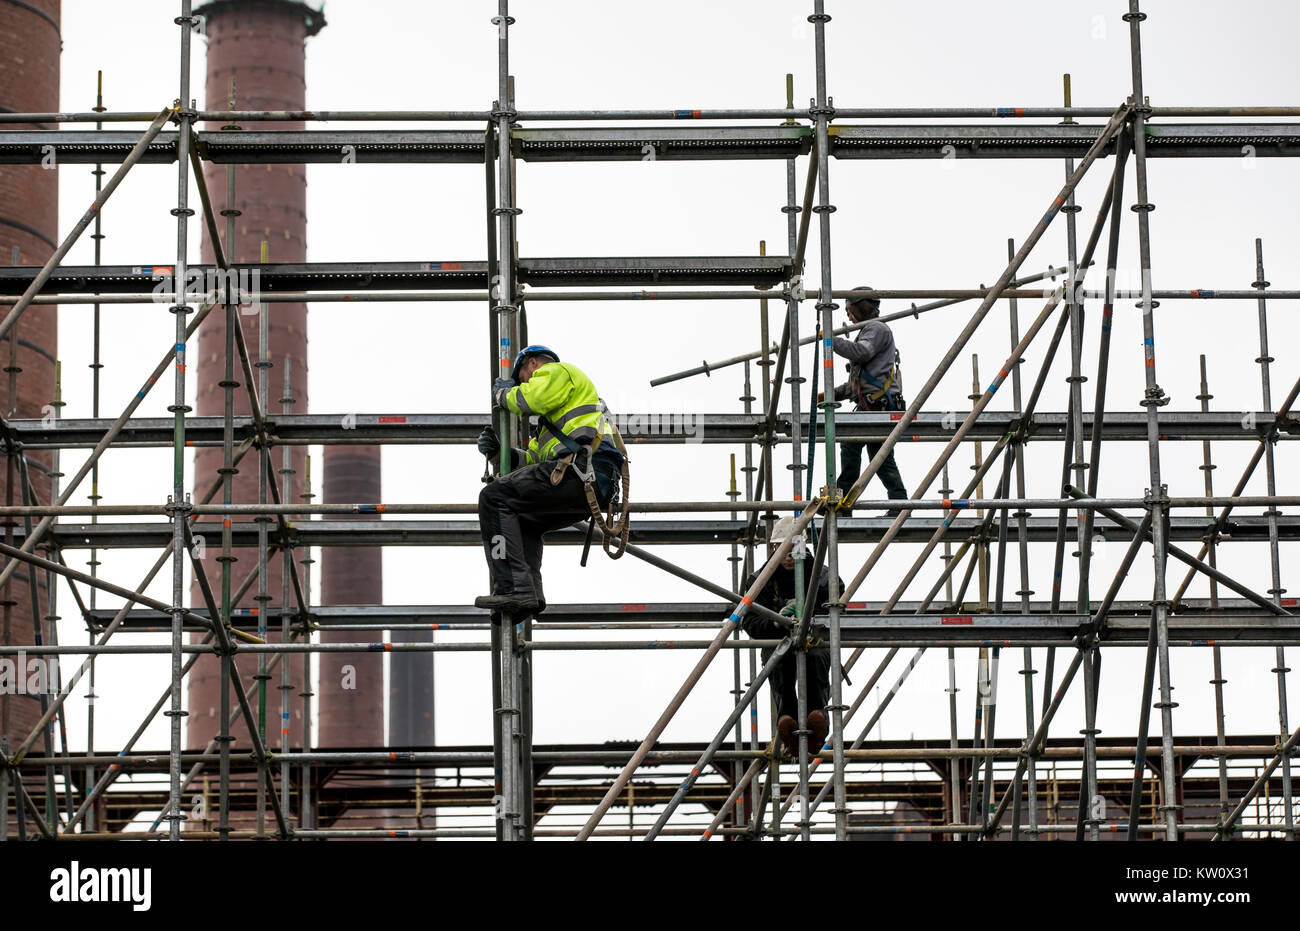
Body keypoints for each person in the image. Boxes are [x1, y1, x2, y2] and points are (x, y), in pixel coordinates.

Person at [475, 345, 624, 618]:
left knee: (493, 498)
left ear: (532, 365)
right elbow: (533, 461)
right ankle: (527, 594)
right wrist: (500, 454)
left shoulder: (558, 371)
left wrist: (502, 394)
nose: (523, 384)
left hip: (581, 472)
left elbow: (531, 398)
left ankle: (511, 588)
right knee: (523, 518)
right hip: (581, 477)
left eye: (522, 378)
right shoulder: (553, 421)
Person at [740, 517, 840, 760]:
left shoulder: (822, 575)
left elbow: (837, 611)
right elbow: (750, 622)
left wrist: (811, 615)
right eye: (781, 548)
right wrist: (775, 622)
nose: (787, 555)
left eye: (792, 548)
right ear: (774, 548)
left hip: (814, 642)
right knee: (781, 664)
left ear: (803, 547)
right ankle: (788, 724)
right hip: (778, 642)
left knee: (816, 662)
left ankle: (818, 722)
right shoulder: (761, 580)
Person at [829, 285, 908, 511]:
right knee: (880, 458)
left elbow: (861, 352)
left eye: (849, 310)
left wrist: (831, 340)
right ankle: (899, 504)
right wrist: (836, 393)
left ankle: (842, 501)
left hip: (879, 406)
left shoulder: (877, 328)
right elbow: (859, 384)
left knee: (852, 445)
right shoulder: (867, 331)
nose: (848, 316)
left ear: (862, 307)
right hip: (872, 404)